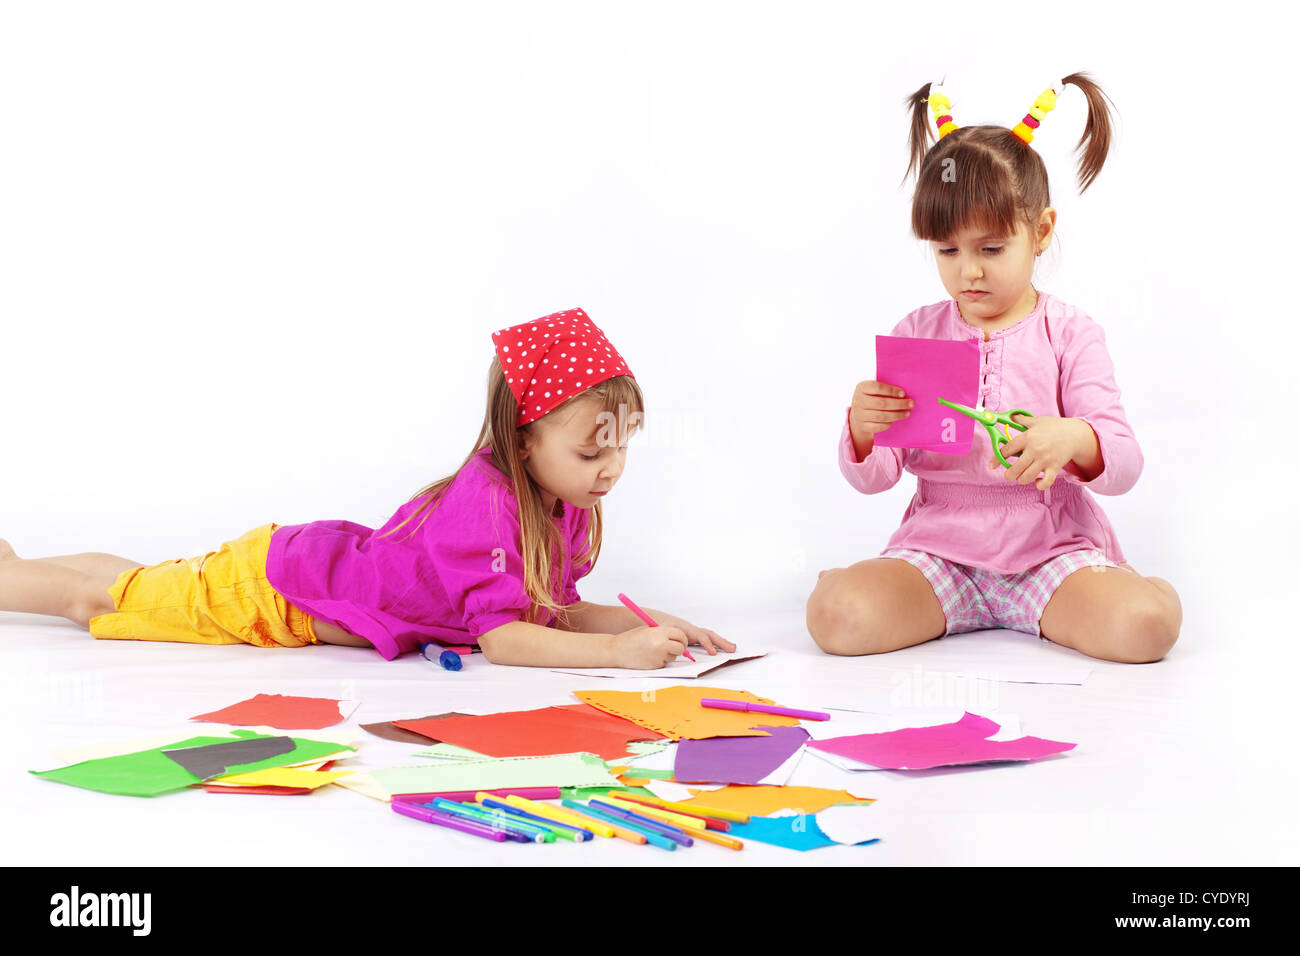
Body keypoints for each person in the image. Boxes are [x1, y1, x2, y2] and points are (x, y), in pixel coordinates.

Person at [0, 307, 734, 669]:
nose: (610, 467)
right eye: (589, 449)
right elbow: (505, 638)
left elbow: (557, 614)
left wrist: (661, 624)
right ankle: (10, 581)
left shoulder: (564, 502)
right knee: (96, 600)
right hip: (278, 596)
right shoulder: (487, 505)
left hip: (297, 569)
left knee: (137, 581)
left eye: (621, 444)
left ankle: (15, 567)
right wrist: (617, 655)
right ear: (522, 441)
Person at [806, 74, 1181, 664]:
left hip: (1049, 553)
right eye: (948, 251)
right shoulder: (918, 331)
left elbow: (1125, 465)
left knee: (1145, 628)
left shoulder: (1070, 333)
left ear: (1041, 232)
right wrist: (861, 429)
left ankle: (1139, 585)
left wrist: (1077, 438)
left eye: (991, 249)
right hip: (939, 554)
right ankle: (864, 583)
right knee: (835, 617)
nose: (968, 274)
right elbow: (876, 478)